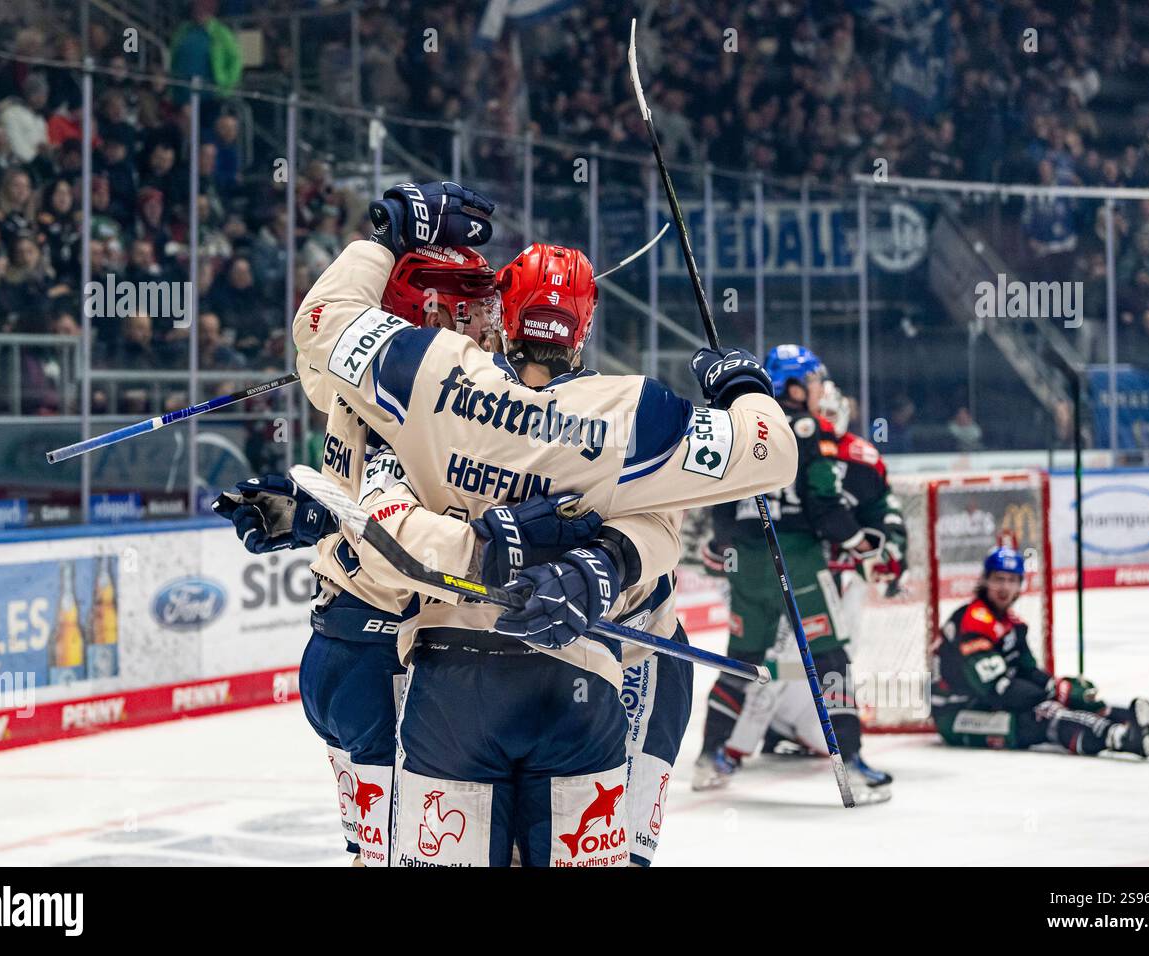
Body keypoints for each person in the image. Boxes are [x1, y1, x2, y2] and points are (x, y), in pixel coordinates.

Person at [291, 181, 798, 867]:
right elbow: (771, 455)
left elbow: (321, 323)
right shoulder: (631, 414)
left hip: (449, 675)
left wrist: (386, 239)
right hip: (581, 679)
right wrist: (742, 388)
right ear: (584, 329)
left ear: (502, 312)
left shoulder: (428, 372)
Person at [694, 345, 892, 800]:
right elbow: (824, 506)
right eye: (816, 379)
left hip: (749, 562)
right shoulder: (808, 429)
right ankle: (854, 763)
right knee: (830, 660)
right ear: (796, 387)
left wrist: (728, 547)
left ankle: (710, 757)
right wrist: (860, 543)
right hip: (797, 557)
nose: (822, 388)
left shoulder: (739, 424)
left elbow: (721, 503)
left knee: (741, 663)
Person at [933, 546, 1149, 757]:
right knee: (1045, 713)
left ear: (1021, 584)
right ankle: (1122, 738)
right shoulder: (974, 620)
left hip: (985, 703)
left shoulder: (1012, 624)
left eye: (1012, 580)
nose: (1004, 587)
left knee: (1078, 701)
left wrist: (1062, 687)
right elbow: (998, 688)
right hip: (958, 715)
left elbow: (1028, 671)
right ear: (984, 580)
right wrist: (1057, 693)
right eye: (998, 578)